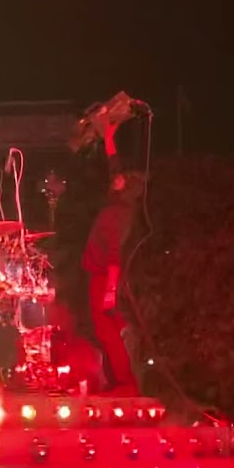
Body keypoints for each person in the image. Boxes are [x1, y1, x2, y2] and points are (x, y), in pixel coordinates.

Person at [82, 117, 144, 394]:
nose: (116, 178)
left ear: (128, 187)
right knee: (106, 333)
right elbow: (114, 166)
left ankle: (125, 384)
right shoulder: (116, 202)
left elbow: (116, 256)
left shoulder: (120, 213)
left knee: (109, 333)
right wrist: (109, 137)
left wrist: (109, 291)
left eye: (122, 179)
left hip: (106, 278)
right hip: (101, 276)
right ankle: (119, 379)